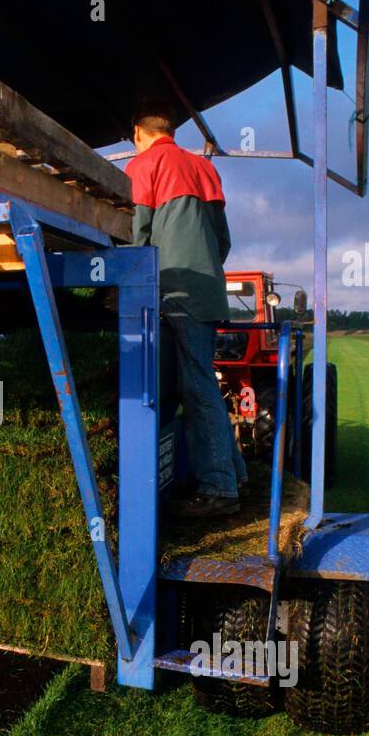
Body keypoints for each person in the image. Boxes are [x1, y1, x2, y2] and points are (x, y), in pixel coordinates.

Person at [126, 102, 247, 517]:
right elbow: (223, 241)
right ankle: (235, 472)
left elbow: (136, 239)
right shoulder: (204, 168)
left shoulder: (143, 166)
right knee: (203, 382)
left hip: (174, 292)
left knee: (195, 387)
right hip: (207, 292)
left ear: (137, 132)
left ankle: (219, 489)